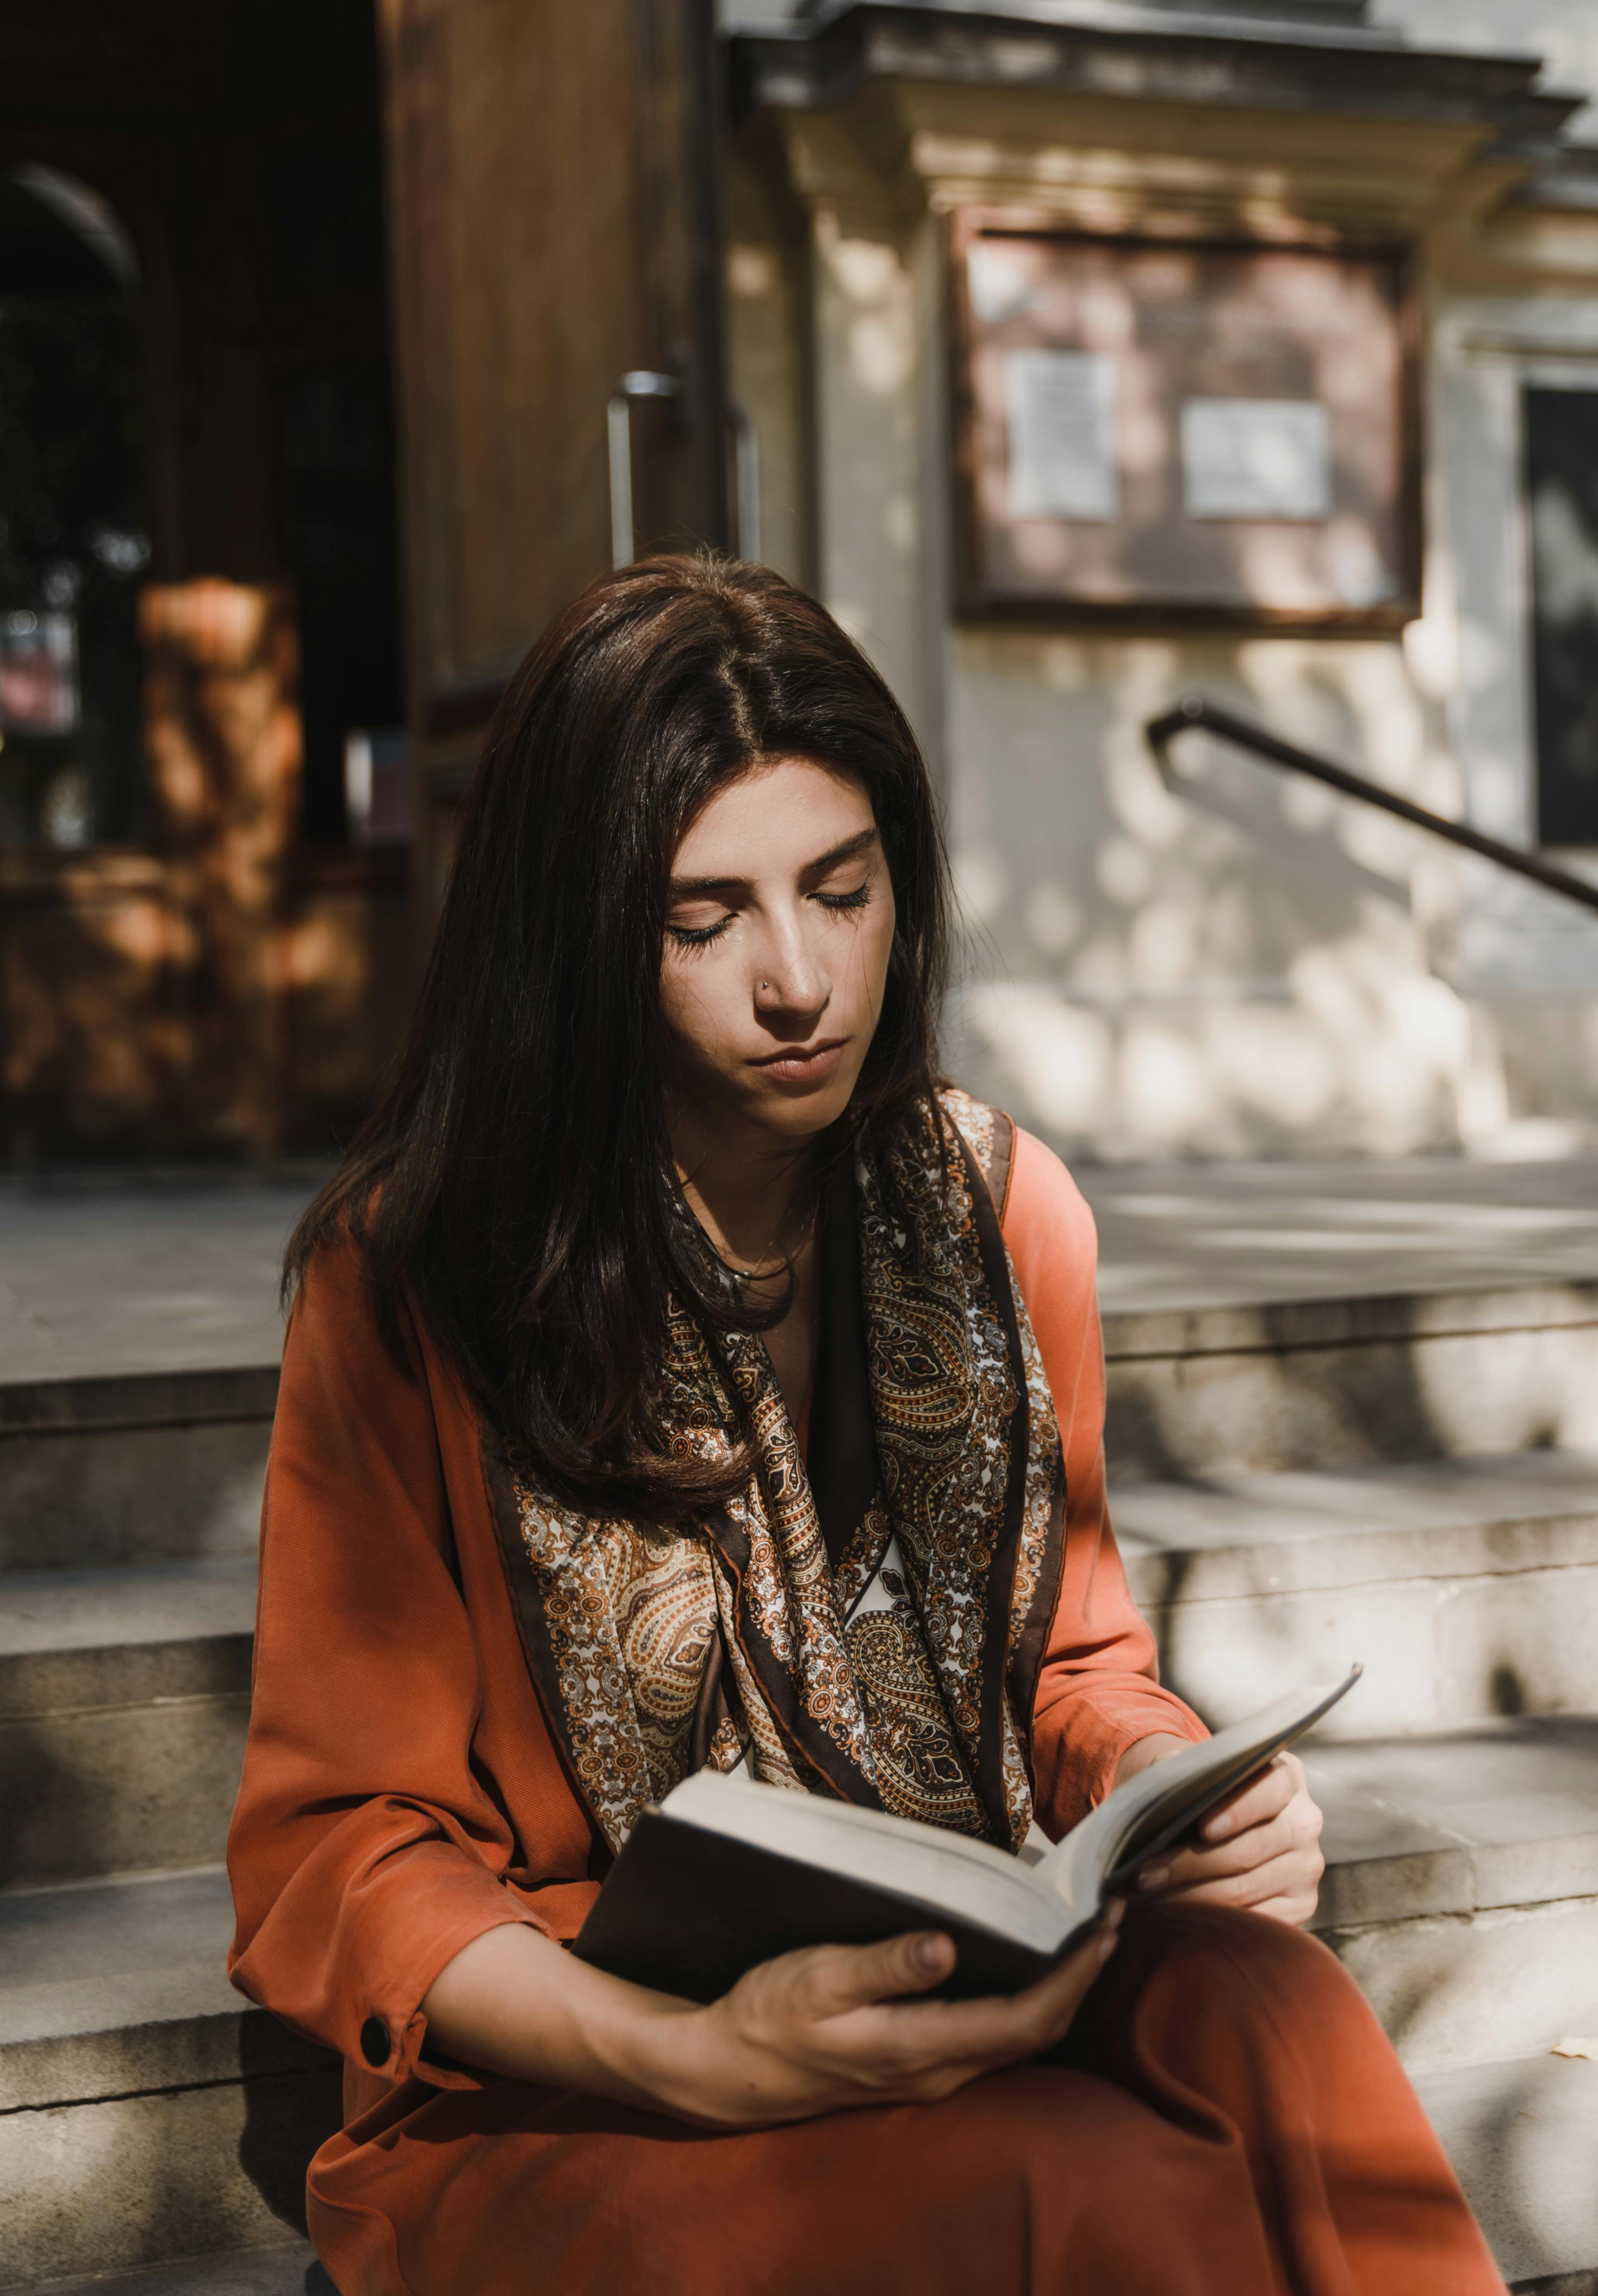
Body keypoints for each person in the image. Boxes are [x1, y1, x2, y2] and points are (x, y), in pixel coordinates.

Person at [227, 556, 1505, 2296]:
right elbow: (342, 1842)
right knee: (1071, 2182)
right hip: (586, 2053)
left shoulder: (997, 1216)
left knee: (1265, 1999)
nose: (797, 978)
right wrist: (697, 2051)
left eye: (843, 888)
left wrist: (1161, 1782)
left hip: (949, 1950)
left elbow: (1072, 1662)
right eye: (702, 919)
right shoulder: (417, 1278)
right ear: (578, 932)